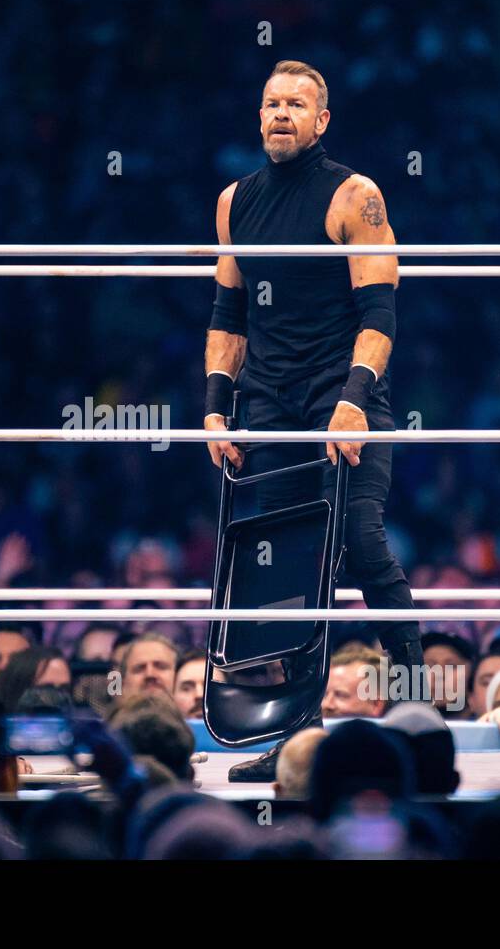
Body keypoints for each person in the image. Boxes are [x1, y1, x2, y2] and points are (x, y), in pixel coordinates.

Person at [203, 59, 422, 681]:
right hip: (269, 399)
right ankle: (300, 715)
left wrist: (353, 400)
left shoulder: (355, 195)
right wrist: (214, 410)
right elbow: (228, 314)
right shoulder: (233, 202)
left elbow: (379, 312)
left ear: (321, 121)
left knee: (358, 538)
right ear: (259, 116)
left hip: (340, 390)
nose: (281, 114)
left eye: (296, 105)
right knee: (286, 556)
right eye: (273, 103)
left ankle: (415, 691)